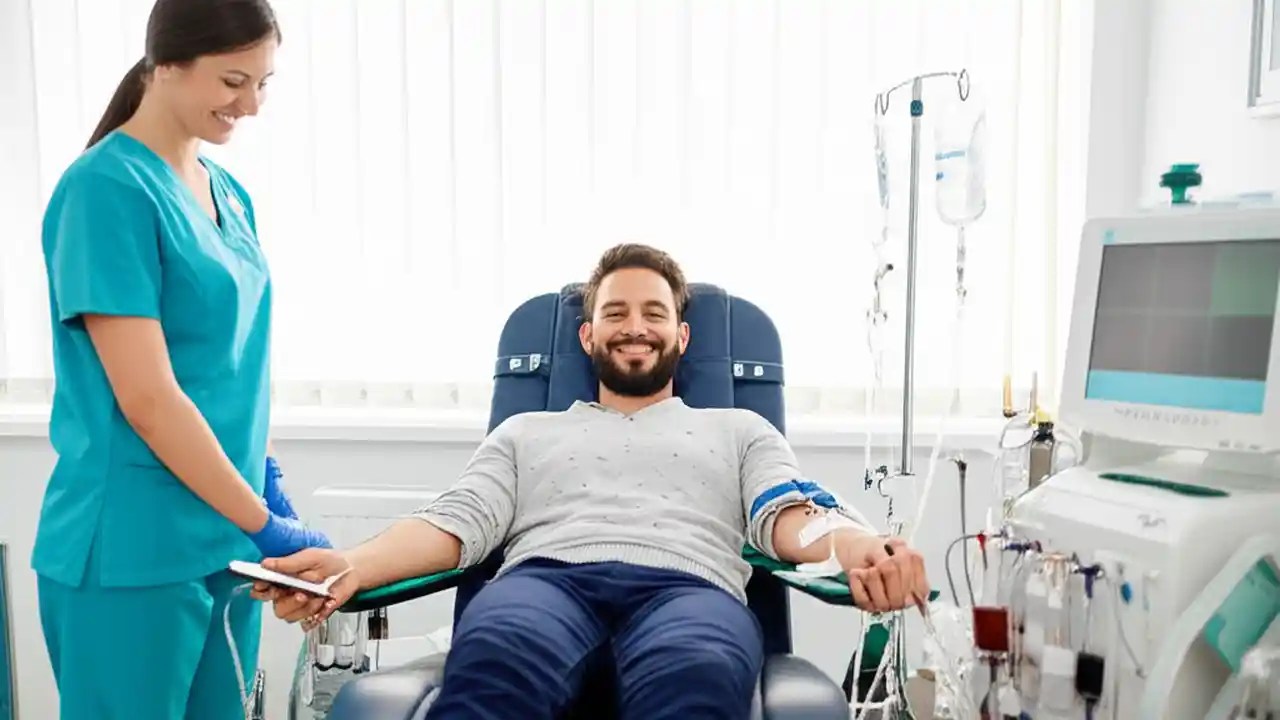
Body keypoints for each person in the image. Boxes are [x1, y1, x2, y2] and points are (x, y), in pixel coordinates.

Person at [259, 243, 931, 719]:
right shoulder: (526, 433)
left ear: (681, 336)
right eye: (615, 313)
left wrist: (859, 546)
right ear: (587, 336)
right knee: (495, 661)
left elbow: (789, 514)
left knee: (695, 681)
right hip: (545, 583)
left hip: (690, 591)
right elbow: (455, 522)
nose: (634, 326)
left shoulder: (740, 431)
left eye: (654, 313)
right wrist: (348, 564)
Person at [32, 1, 331, 718]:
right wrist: (262, 520)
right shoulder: (105, 191)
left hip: (223, 542)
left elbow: (228, 367)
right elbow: (150, 398)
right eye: (233, 81)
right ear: (165, 64)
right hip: (132, 551)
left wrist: (267, 479)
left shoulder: (227, 192)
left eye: (264, 84)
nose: (251, 105)